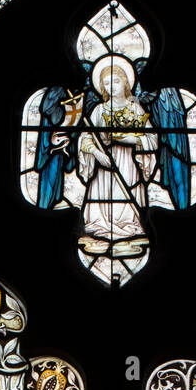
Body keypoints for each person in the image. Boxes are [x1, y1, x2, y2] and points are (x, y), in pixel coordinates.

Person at [77, 58, 156, 254]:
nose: (111, 87)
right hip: (104, 165)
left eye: (115, 81)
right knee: (99, 213)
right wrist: (96, 152)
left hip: (127, 163)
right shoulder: (98, 111)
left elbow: (153, 139)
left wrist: (131, 139)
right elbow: (85, 138)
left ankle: (129, 231)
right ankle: (101, 230)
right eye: (106, 83)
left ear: (125, 82)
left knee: (129, 208)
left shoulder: (135, 109)